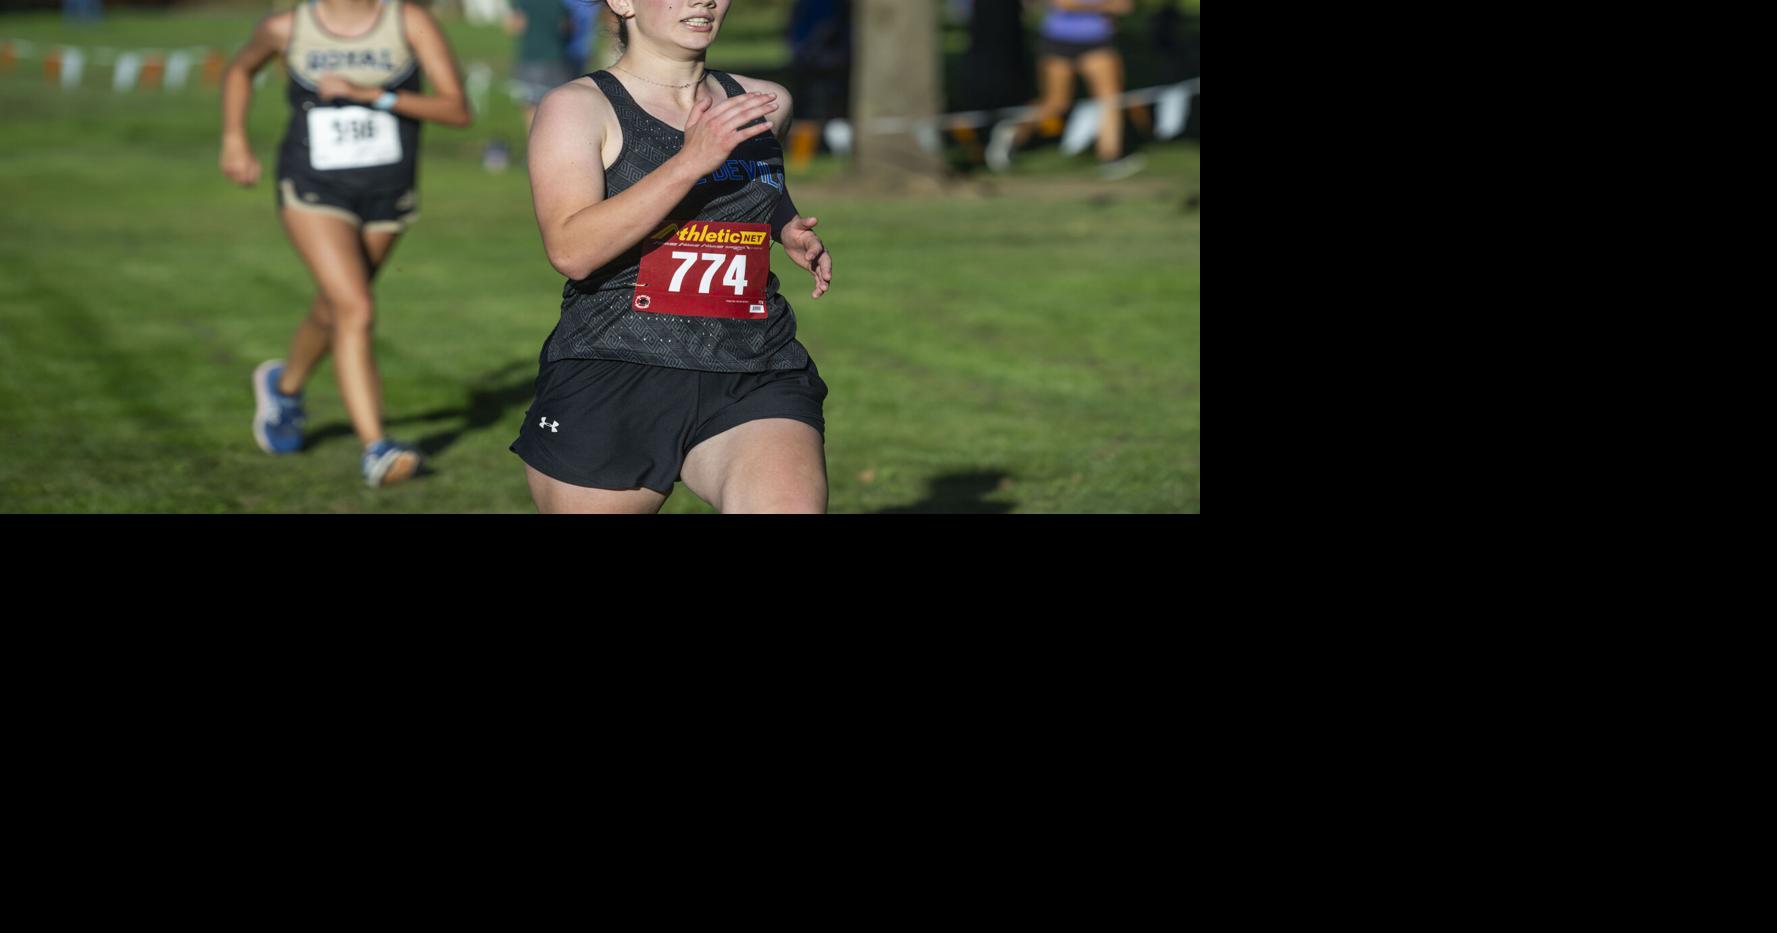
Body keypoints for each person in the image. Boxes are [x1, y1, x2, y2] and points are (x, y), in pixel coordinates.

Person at [509, 0, 835, 514]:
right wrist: (689, 162)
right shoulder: (577, 107)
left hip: (752, 364)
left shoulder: (765, 103)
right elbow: (572, 251)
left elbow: (751, 182)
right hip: (615, 364)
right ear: (623, 3)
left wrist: (784, 225)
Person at [219, 0, 471, 487]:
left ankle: (284, 387)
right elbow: (239, 70)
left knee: (335, 306)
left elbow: (456, 110)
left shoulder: (408, 22)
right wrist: (234, 138)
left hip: (387, 193)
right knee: (355, 306)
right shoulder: (287, 27)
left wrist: (371, 94)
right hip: (313, 186)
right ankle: (376, 447)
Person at [990, 0, 1142, 179]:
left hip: (1098, 41)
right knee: (1056, 103)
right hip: (1059, 41)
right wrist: (1104, 7)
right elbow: (1064, 4)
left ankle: (1110, 158)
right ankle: (1013, 132)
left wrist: (1102, 9)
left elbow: (1125, 6)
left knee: (1110, 100)